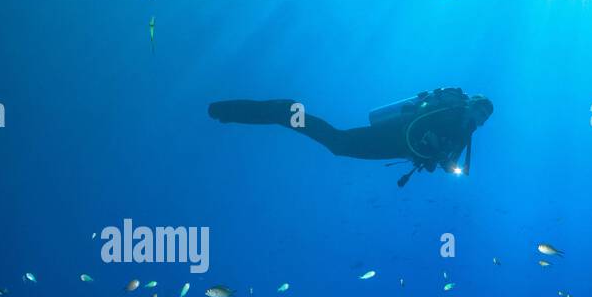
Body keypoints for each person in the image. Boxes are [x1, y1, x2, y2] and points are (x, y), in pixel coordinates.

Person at [207, 88, 493, 186]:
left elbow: (438, 160)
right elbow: (418, 129)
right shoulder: (451, 115)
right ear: (471, 105)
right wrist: (431, 146)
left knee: (337, 144)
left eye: (485, 117)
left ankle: (287, 113)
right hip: (392, 136)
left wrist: (443, 162)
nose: (480, 119)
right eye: (480, 111)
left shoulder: (464, 134)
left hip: (395, 148)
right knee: (338, 142)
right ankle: (287, 111)